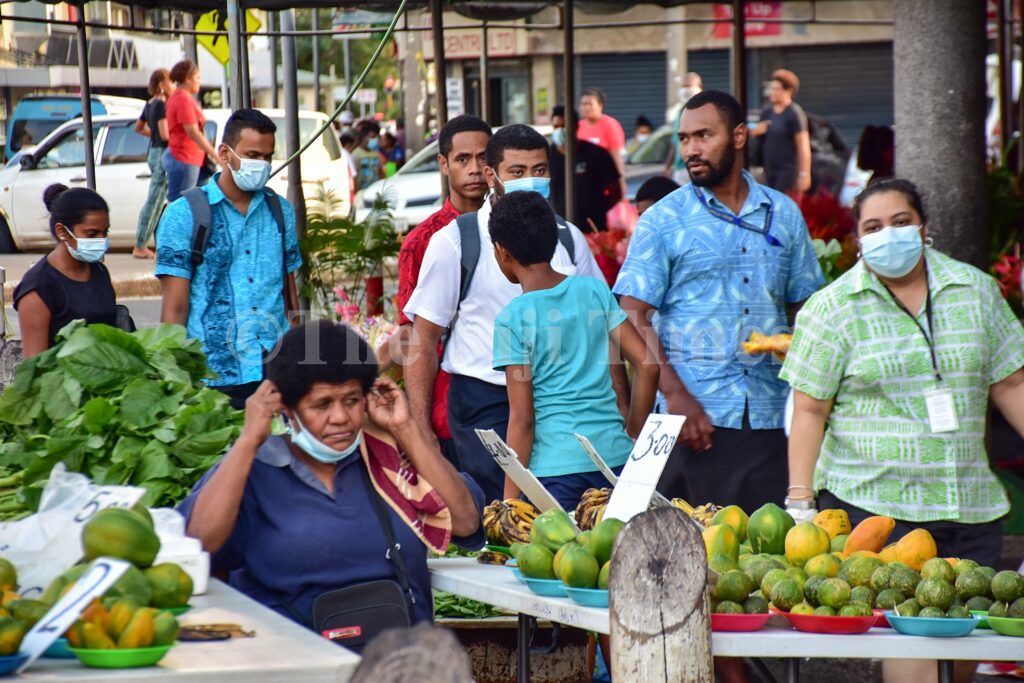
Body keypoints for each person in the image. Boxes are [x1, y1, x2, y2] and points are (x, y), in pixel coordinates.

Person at [781, 178, 1024, 683]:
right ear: (858, 238)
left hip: (967, 507)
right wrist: (800, 502)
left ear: (924, 228)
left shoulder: (974, 291)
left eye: (900, 222)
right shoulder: (832, 308)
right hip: (877, 510)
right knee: (909, 653)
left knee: (960, 657)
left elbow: (1012, 384)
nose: (888, 235)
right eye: (873, 227)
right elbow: (809, 411)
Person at [180, 320, 485, 629]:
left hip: (402, 664)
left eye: (351, 400)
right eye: (321, 404)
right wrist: (248, 441)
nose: (340, 418)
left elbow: (465, 521)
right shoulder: (256, 470)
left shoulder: (389, 459)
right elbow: (198, 544)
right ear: (286, 406)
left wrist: (405, 428)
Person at [614, 90, 824, 513]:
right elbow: (630, 314)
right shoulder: (663, 219)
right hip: (692, 423)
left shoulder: (782, 214)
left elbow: (810, 309)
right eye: (685, 138)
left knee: (767, 560)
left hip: (771, 417)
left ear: (740, 135)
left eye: (704, 135)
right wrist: (675, 394)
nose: (691, 149)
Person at [403, 124, 603, 503]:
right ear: (493, 176)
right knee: (500, 516)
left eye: (540, 170)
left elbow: (601, 325)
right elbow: (423, 337)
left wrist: (620, 411)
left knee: (560, 518)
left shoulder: (568, 237)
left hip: (559, 404)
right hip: (485, 406)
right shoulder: (455, 241)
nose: (531, 180)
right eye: (518, 172)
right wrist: (421, 428)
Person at [490, 191, 659, 509]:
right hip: (616, 463)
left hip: (555, 475)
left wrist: (509, 503)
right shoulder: (594, 291)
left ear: (502, 252)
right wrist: (633, 432)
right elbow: (648, 364)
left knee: (569, 558)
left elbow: (523, 419)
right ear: (554, 240)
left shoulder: (511, 319)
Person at [156, 108, 302, 410]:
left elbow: (290, 295)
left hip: (275, 374)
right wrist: (174, 382)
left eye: (268, 156)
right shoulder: (183, 214)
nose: (261, 165)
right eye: (252, 155)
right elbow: (175, 308)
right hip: (212, 378)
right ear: (225, 153)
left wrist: (300, 359)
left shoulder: (281, 212)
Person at [384, 115, 493, 469]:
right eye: (463, 159)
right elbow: (413, 337)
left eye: (483, 157)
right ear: (444, 164)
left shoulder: (519, 228)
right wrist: (420, 425)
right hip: (452, 410)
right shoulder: (423, 241)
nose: (475, 169)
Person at [14, 184, 116, 356]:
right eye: (92, 234)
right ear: (62, 231)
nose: (101, 240)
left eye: (105, 232)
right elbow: (35, 366)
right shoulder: (38, 288)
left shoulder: (99, 271)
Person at [549, 105, 622, 232]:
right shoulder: (546, 157)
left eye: (565, 125)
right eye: (556, 127)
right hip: (556, 229)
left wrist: (598, 209)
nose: (560, 130)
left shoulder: (597, 154)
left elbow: (616, 190)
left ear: (576, 127)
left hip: (592, 229)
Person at [750, 69, 812, 196]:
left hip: (787, 171)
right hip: (768, 170)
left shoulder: (794, 113)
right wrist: (755, 132)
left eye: (776, 89)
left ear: (787, 91)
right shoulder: (767, 112)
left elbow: (803, 145)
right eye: (771, 88)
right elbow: (755, 135)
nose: (772, 92)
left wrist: (804, 173)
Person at [164, 60, 219, 203]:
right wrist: (215, 155)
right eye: (197, 78)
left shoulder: (181, 97)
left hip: (190, 157)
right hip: (184, 157)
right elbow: (193, 132)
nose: (199, 82)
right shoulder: (182, 99)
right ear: (187, 78)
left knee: (199, 204)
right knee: (181, 205)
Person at [133, 68, 174, 259]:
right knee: (155, 200)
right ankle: (140, 245)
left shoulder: (149, 104)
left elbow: (139, 128)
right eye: (169, 81)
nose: (172, 85)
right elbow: (166, 135)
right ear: (161, 84)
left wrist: (154, 134)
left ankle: (145, 243)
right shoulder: (161, 104)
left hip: (153, 151)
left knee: (158, 201)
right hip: (162, 154)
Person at [578, 87, 627, 197]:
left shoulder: (610, 125)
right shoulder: (579, 126)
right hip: (584, 183)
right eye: (583, 104)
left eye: (590, 104)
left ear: (600, 105)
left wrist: (621, 184)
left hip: (604, 182)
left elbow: (617, 157)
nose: (586, 107)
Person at [664, 72, 703, 184]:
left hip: (697, 165)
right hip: (680, 168)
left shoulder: (703, 111)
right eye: (683, 86)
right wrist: (667, 166)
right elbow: (675, 141)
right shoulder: (680, 112)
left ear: (699, 88)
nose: (686, 90)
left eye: (689, 86)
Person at [353, 120, 386, 191]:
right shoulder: (355, 155)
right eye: (372, 137)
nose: (374, 140)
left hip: (376, 190)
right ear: (364, 137)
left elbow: (381, 172)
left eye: (375, 137)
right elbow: (354, 177)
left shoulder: (376, 154)